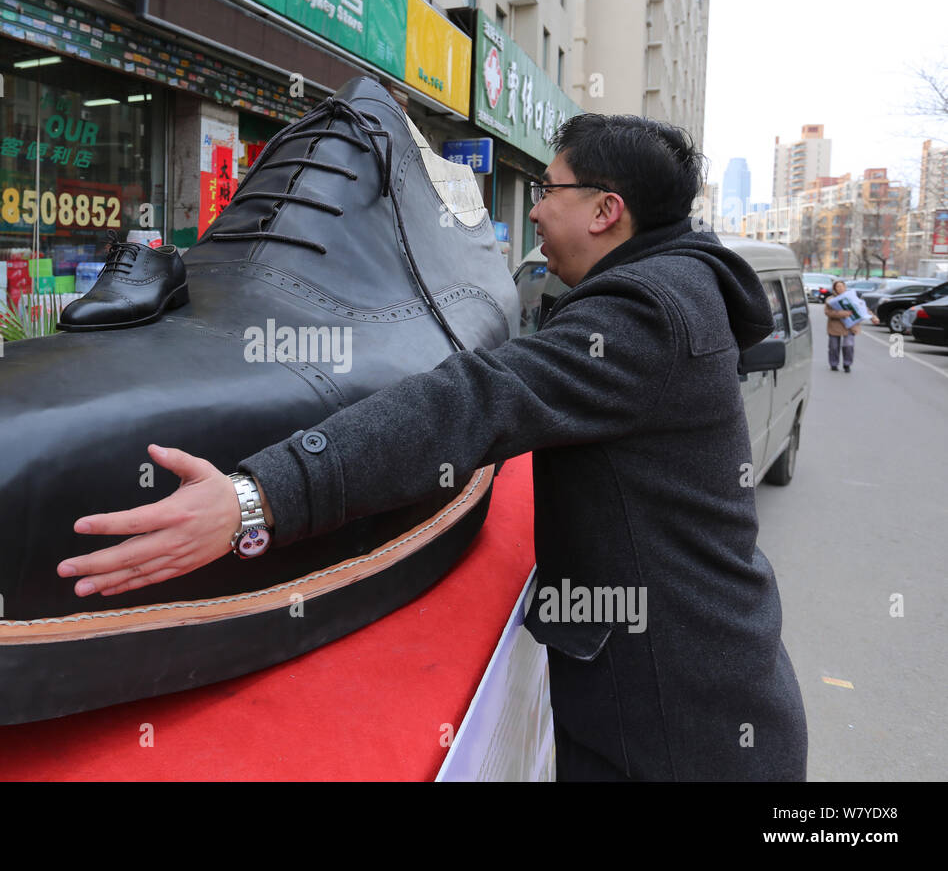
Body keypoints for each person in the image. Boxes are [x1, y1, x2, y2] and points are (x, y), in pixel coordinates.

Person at [57, 114, 808, 781]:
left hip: (676, 725)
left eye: (549, 190)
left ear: (606, 210)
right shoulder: (673, 286)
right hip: (695, 687)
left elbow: (473, 403)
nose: (535, 211)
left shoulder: (646, 312)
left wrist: (257, 498)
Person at [824, 280, 860, 372]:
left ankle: (847, 364)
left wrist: (873, 317)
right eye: (838, 287)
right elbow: (827, 312)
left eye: (842, 286)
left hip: (850, 326)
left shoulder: (851, 298)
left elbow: (862, 308)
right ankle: (834, 364)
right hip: (834, 326)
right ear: (834, 289)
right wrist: (842, 313)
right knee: (834, 347)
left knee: (848, 345)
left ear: (845, 287)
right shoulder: (830, 300)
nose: (840, 288)